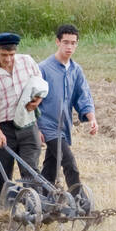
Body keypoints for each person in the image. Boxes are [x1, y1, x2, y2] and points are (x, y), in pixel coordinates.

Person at [0, 32, 44, 204]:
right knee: (1, 174)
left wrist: (37, 100)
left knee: (31, 171)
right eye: (4, 55)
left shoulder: (27, 61)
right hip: (3, 127)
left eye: (11, 55)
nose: (8, 59)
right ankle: (0, 212)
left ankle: (36, 211)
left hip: (27, 125)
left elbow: (40, 85)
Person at [37, 24, 98, 200]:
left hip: (64, 127)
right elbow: (32, 102)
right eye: (65, 42)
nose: (69, 47)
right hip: (48, 126)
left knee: (50, 166)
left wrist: (92, 119)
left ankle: (42, 200)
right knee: (70, 164)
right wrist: (37, 128)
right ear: (57, 42)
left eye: (73, 43)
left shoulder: (76, 70)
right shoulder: (43, 69)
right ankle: (82, 203)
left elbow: (83, 96)